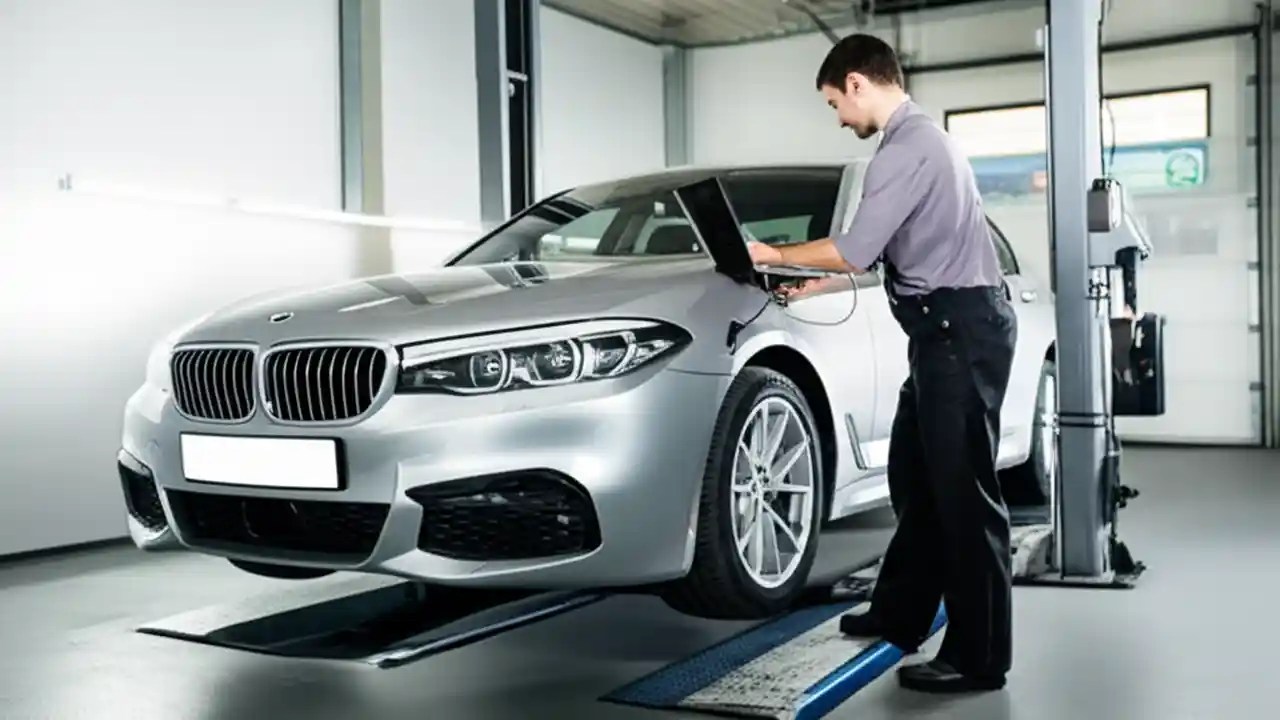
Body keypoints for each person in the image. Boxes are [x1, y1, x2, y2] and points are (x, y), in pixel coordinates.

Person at [748, 34, 1017, 694]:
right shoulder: (921, 143)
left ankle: (979, 657)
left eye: (836, 101)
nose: (839, 117)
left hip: (957, 331)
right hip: (946, 331)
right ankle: (902, 611)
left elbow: (853, 246)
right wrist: (821, 283)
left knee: (963, 495)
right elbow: (886, 257)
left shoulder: (905, 148)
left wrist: (773, 254)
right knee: (916, 476)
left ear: (859, 84)